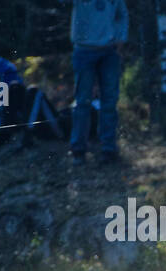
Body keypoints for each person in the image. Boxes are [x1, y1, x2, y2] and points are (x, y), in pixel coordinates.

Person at [69, 0, 129, 166]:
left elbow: (122, 14)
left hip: (109, 51)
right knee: (82, 102)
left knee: (109, 101)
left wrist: (121, 39)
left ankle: (108, 149)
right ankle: (78, 150)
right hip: (84, 50)